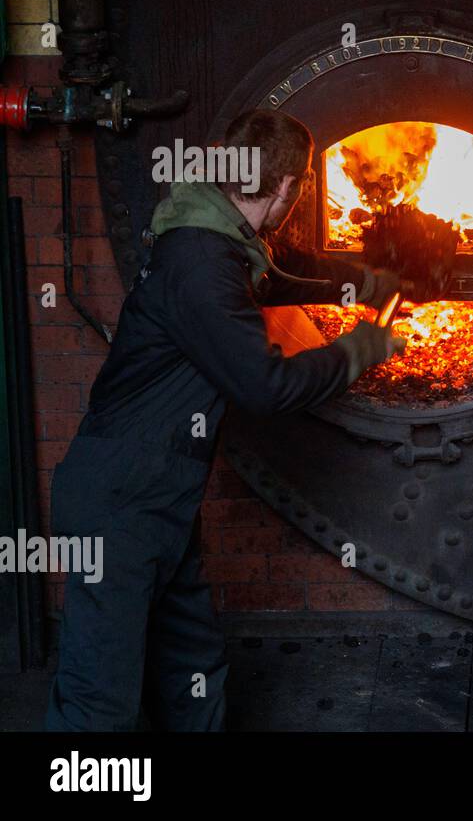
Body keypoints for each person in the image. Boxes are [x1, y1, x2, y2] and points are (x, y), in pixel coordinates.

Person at [45, 109, 422, 731]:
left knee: (190, 668)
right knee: (97, 701)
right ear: (287, 189)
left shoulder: (214, 237)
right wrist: (363, 348)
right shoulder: (201, 264)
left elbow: (273, 273)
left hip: (157, 496)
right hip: (118, 502)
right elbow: (265, 386)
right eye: (299, 187)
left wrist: (359, 280)